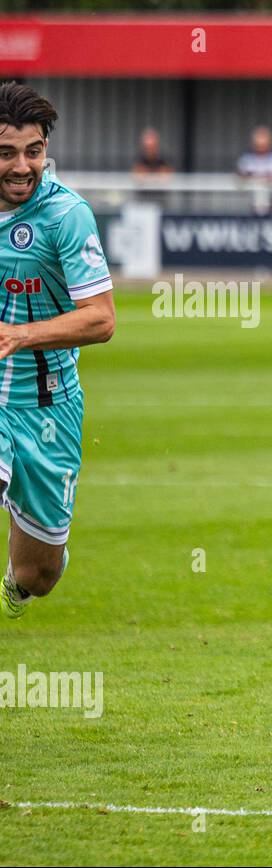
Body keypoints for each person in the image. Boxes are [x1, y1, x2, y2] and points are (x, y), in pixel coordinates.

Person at [0, 83, 116, 619]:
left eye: (34, 151)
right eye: (6, 152)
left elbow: (101, 318)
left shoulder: (66, 216)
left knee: (36, 577)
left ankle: (36, 565)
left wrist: (19, 335)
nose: (22, 166)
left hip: (49, 409)